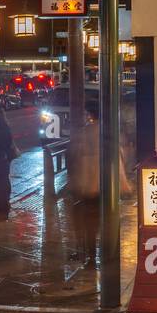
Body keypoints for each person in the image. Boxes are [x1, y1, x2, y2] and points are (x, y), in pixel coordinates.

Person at [67, 113, 101, 266]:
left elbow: (72, 159)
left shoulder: (85, 133)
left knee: (85, 224)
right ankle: (92, 254)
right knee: (93, 223)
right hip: (99, 187)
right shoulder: (105, 133)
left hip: (85, 187)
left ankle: (87, 254)